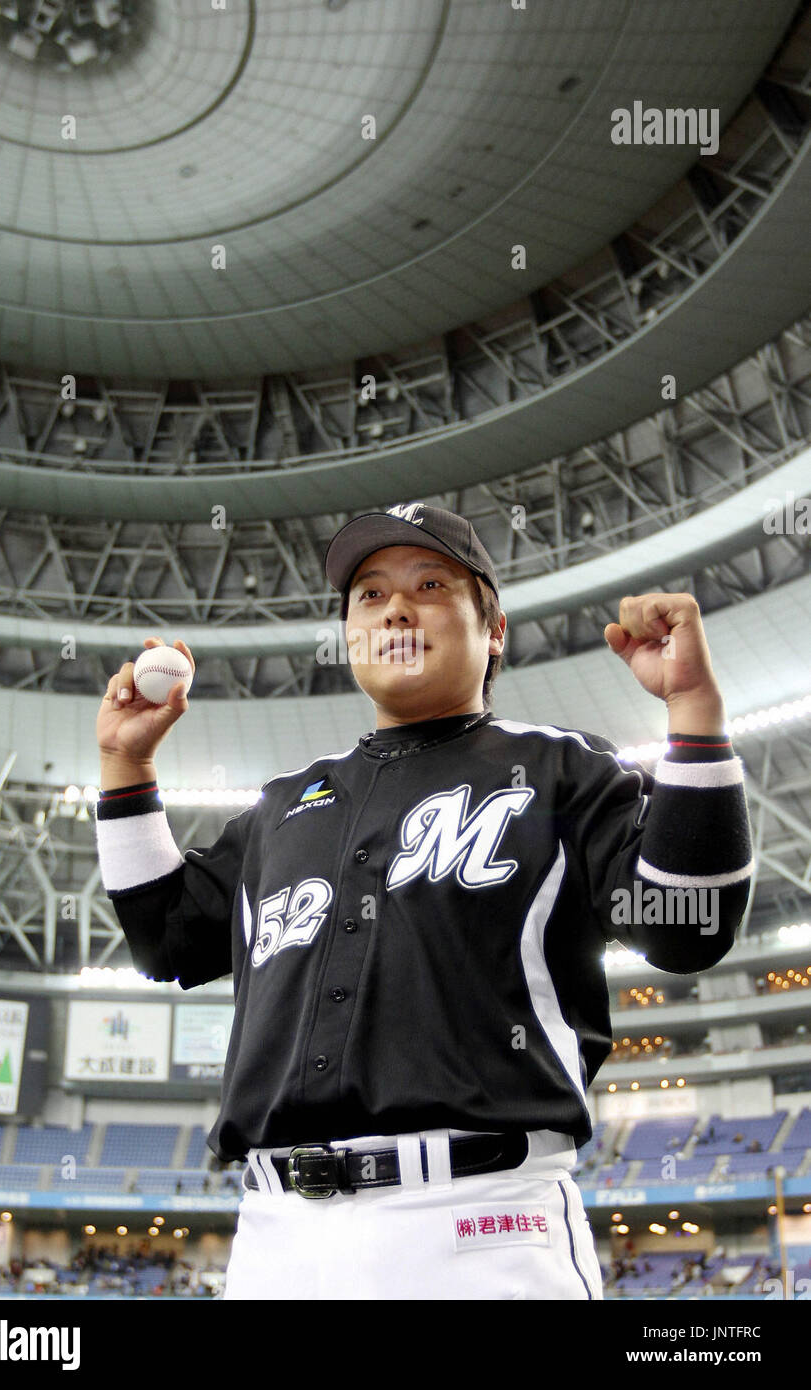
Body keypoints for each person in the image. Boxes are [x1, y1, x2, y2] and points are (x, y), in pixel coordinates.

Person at [93, 502, 753, 1301]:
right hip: (276, 1237)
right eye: (368, 594)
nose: (395, 606)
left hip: (481, 1226)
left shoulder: (560, 773)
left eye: (430, 583)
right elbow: (164, 940)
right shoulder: (280, 809)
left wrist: (693, 712)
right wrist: (125, 766)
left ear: (495, 630)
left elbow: (689, 927)